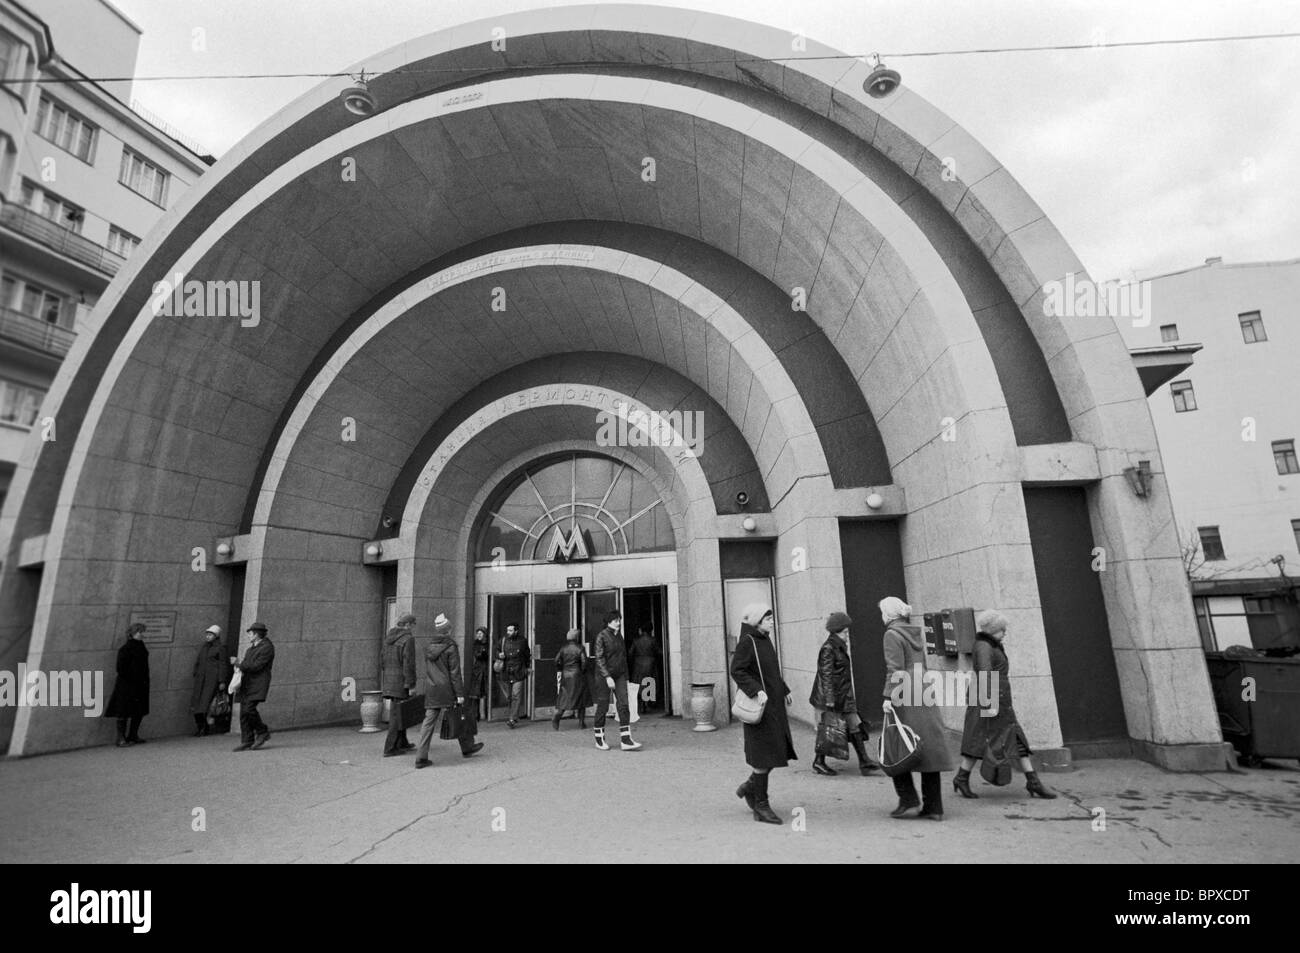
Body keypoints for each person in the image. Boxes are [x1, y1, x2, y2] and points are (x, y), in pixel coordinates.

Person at [954, 610, 1058, 800]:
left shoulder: (988, 645)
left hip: (997, 698)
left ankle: (1033, 781)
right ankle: (962, 778)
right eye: (1003, 629)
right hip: (990, 699)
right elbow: (985, 674)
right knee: (980, 738)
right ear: (994, 629)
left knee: (1011, 736)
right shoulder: (985, 646)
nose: (1005, 632)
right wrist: (990, 703)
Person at [879, 597, 954, 820]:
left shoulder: (891, 634)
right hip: (923, 687)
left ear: (889, 615)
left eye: (882, 612)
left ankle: (908, 801)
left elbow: (895, 669)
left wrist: (887, 696)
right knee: (929, 747)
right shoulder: (914, 632)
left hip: (904, 691)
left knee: (898, 743)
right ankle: (934, 807)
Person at [731, 604, 795, 824]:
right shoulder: (747, 642)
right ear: (757, 621)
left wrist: (783, 689)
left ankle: (751, 787)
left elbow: (771, 672)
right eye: (767, 618)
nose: (771, 621)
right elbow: (737, 670)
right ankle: (761, 806)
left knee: (774, 751)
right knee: (762, 755)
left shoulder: (764, 639)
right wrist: (756, 690)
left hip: (773, 706)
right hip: (760, 708)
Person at [809, 611, 878, 776]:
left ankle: (864, 761)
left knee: (854, 725)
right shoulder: (828, 648)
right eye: (845, 632)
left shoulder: (838, 647)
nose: (847, 634)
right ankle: (818, 762)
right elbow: (826, 675)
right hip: (831, 698)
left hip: (844, 696)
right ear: (837, 631)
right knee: (828, 729)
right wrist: (830, 700)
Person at [414, 613, 484, 768]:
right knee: (460, 715)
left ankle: (421, 757)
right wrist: (459, 694)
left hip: (432, 689)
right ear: (448, 630)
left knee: (428, 722)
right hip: (448, 689)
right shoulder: (451, 647)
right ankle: (467, 747)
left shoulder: (429, 647)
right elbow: (455, 672)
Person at [592, 610, 642, 750]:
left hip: (619, 675)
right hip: (604, 676)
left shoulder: (619, 636)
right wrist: (607, 676)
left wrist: (626, 677)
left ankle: (626, 739)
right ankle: (599, 738)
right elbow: (599, 658)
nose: (619, 622)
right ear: (608, 622)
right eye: (615, 620)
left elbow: (623, 657)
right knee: (603, 705)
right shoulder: (601, 636)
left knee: (624, 705)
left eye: (619, 620)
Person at [104, 622, 150, 747]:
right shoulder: (126, 649)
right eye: (139, 632)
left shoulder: (142, 647)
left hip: (141, 684)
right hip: (127, 685)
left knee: (138, 711)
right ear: (132, 633)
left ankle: (133, 735)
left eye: (142, 632)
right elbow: (121, 668)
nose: (141, 634)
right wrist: (132, 678)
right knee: (123, 711)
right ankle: (121, 738)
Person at [231, 621, 275, 751]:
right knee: (244, 712)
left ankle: (262, 731)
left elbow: (257, 666)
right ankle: (247, 740)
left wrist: (239, 663)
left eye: (250, 633)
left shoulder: (267, 647)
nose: (249, 636)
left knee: (249, 709)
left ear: (257, 634)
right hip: (247, 683)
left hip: (258, 683)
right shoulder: (251, 648)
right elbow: (247, 664)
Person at [381, 612, 418, 757]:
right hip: (400, 681)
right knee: (397, 716)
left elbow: (382, 660)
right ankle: (390, 748)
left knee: (400, 711)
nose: (414, 627)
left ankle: (402, 742)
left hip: (389, 680)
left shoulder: (388, 638)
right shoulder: (408, 639)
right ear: (408, 624)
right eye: (413, 624)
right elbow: (408, 663)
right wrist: (411, 684)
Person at [190, 624, 231, 737]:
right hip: (200, 680)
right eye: (207, 634)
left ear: (216, 636)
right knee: (197, 704)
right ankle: (201, 727)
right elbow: (198, 660)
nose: (207, 636)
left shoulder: (220, 648)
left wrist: (222, 680)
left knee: (204, 704)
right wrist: (196, 671)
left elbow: (223, 664)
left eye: (210, 634)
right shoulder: (205, 646)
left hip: (211, 680)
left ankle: (204, 728)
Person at [551, 628, 589, 730]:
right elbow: (584, 662)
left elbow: (556, 660)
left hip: (565, 675)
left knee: (564, 698)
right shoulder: (580, 648)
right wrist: (583, 671)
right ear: (577, 637)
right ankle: (581, 723)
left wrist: (560, 668)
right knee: (581, 699)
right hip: (578, 675)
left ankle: (557, 717)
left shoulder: (563, 648)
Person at [498, 624, 532, 728]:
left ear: (516, 631)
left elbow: (527, 654)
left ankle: (512, 718)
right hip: (506, 671)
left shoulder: (522, 641)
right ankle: (512, 714)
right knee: (509, 696)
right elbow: (496, 650)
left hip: (518, 671)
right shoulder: (503, 640)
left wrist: (528, 667)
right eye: (507, 630)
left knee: (516, 695)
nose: (508, 632)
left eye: (511, 630)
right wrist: (498, 655)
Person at [629, 624, 658, 714]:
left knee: (639, 684)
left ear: (640, 630)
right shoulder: (653, 640)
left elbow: (630, 653)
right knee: (650, 682)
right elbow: (658, 651)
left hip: (638, 664)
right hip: (650, 663)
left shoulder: (636, 641)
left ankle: (641, 704)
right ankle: (648, 702)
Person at [469, 626, 490, 720]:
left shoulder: (488, 644)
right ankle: (476, 714)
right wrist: (483, 652)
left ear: (485, 635)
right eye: (477, 634)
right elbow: (478, 655)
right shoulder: (476, 644)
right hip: (478, 671)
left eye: (480, 633)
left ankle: (485, 713)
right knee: (476, 693)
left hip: (486, 669)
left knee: (485, 692)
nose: (478, 635)